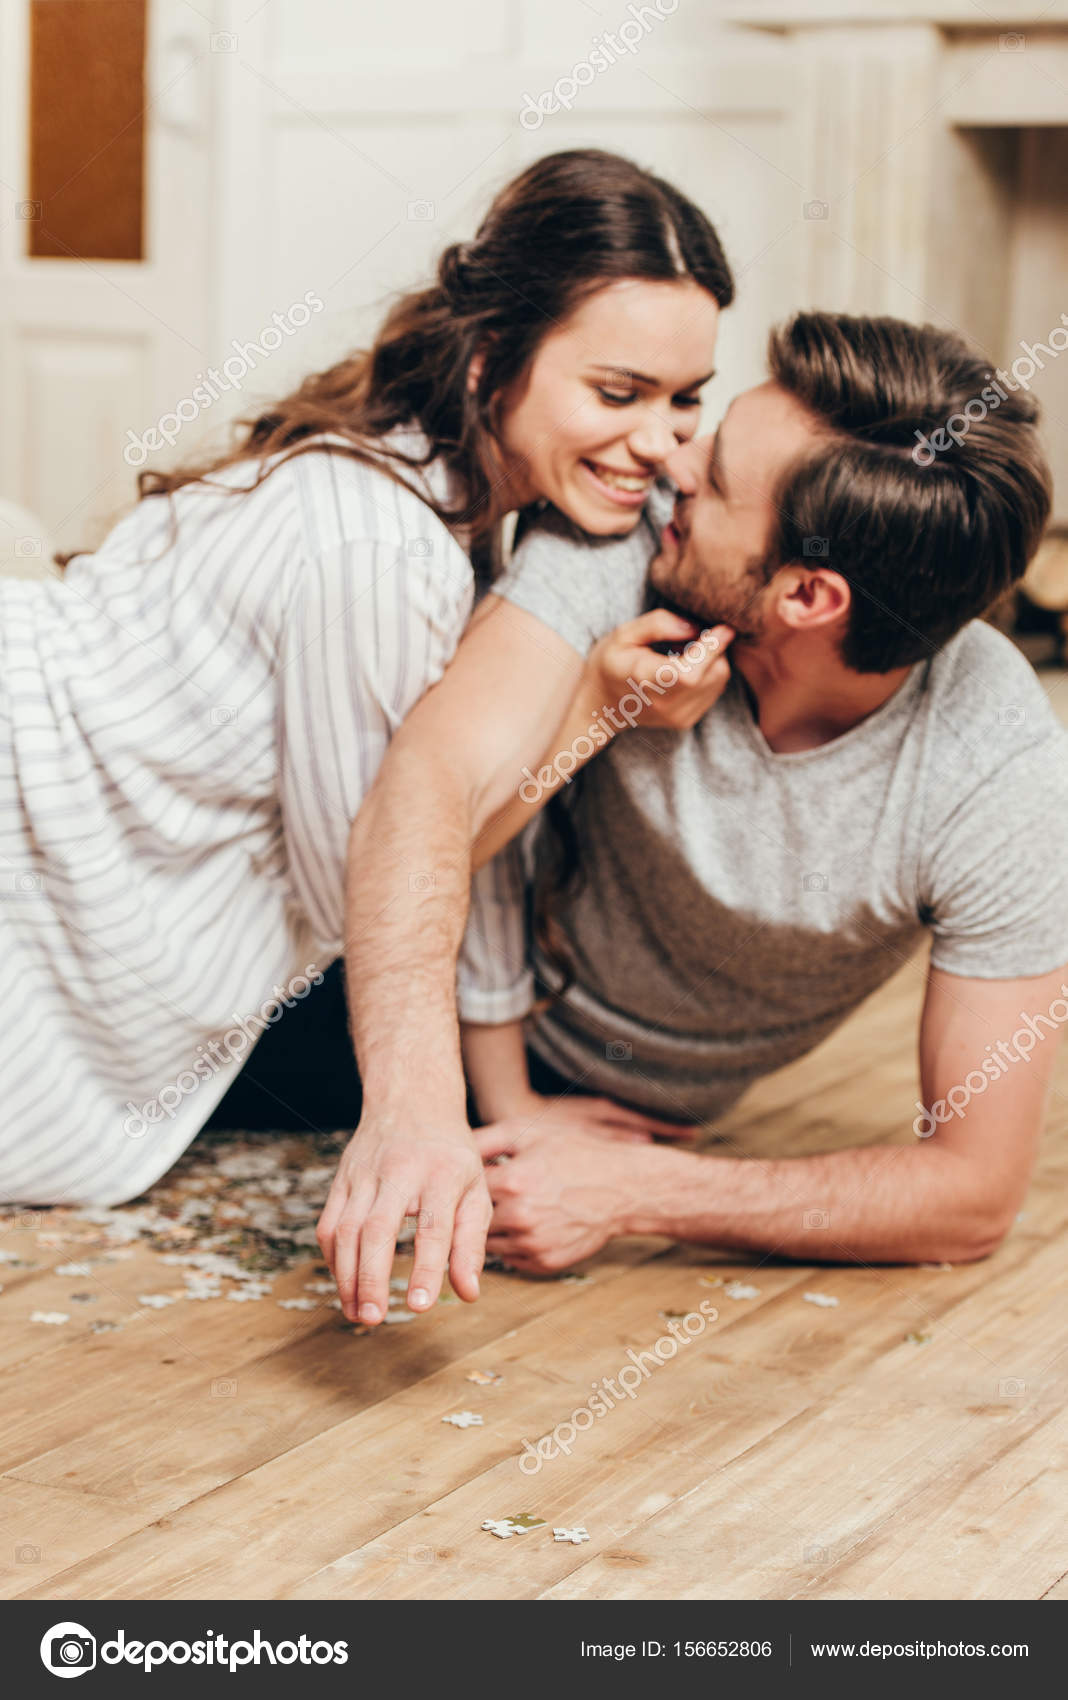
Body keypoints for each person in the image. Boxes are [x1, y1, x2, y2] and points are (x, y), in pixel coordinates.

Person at [0, 148, 734, 1207]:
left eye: (685, 400)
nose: (661, 445)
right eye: (619, 392)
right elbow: (376, 884)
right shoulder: (382, 550)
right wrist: (589, 714)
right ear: (492, 360)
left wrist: (506, 1100)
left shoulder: (470, 496)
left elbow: (440, 827)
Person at [322, 310, 1068, 1324]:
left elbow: (973, 1194)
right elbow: (426, 791)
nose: (669, 465)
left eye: (715, 481)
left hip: (604, 1117)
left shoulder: (996, 767)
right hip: (376, 966)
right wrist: (433, 1098)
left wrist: (632, 1189)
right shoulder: (626, 538)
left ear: (808, 593)